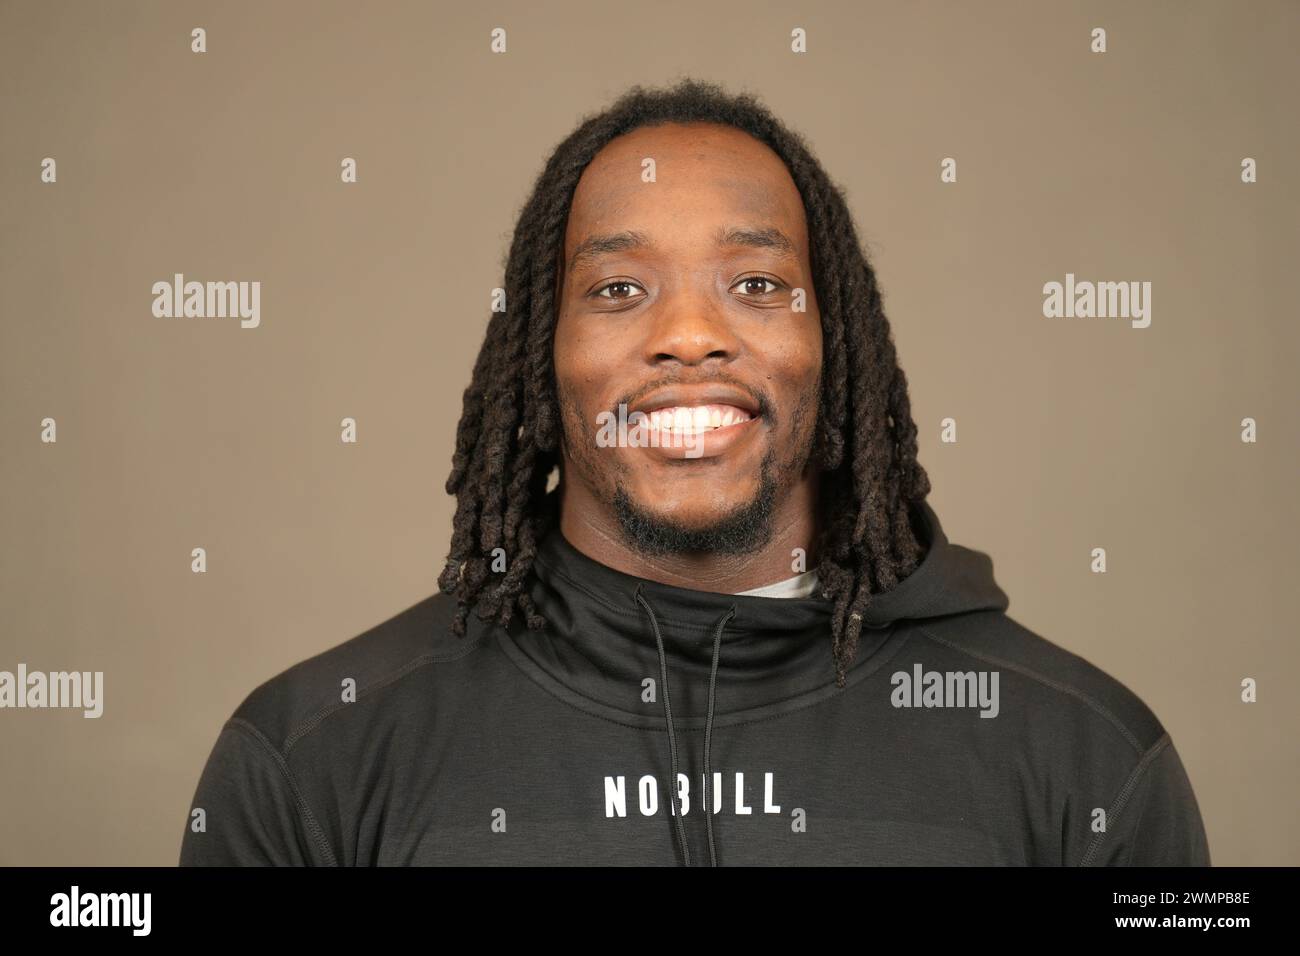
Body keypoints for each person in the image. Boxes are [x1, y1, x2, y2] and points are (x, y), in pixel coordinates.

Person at [180, 78, 1210, 866]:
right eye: (618, 287)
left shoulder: (1088, 757)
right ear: (543, 351)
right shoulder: (311, 757)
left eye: (756, 283)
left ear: (835, 339)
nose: (687, 335)